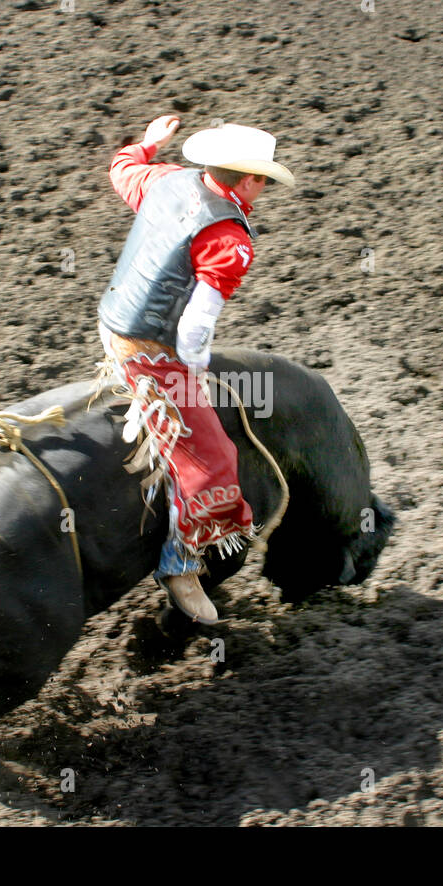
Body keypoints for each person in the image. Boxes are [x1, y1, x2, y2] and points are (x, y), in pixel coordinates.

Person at [95, 115, 295, 625]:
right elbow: (193, 329)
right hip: (149, 349)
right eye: (264, 177)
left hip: (111, 320)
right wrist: (194, 374)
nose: (266, 185)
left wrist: (148, 144)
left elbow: (122, 168)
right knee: (215, 459)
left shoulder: (165, 178)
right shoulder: (229, 240)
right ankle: (180, 564)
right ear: (248, 179)